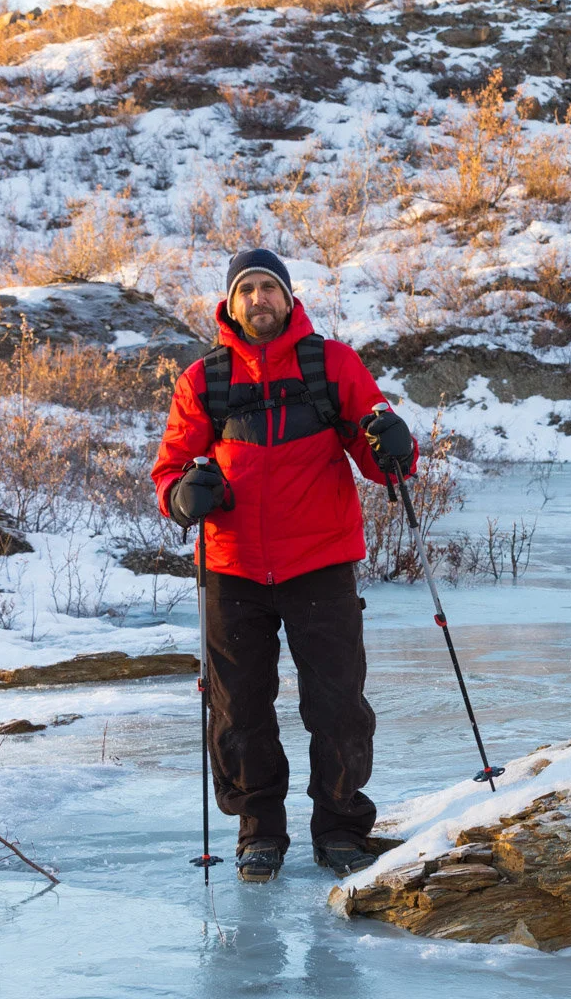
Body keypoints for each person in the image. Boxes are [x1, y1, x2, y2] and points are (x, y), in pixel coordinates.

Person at [151, 248, 417, 883]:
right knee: (239, 710)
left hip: (319, 563)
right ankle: (259, 833)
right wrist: (182, 494)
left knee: (338, 707)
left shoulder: (334, 365)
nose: (259, 299)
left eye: (270, 288)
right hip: (233, 569)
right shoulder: (204, 380)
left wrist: (397, 447)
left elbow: (384, 461)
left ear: (289, 298)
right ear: (231, 302)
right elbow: (168, 471)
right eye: (248, 290)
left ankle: (341, 830)